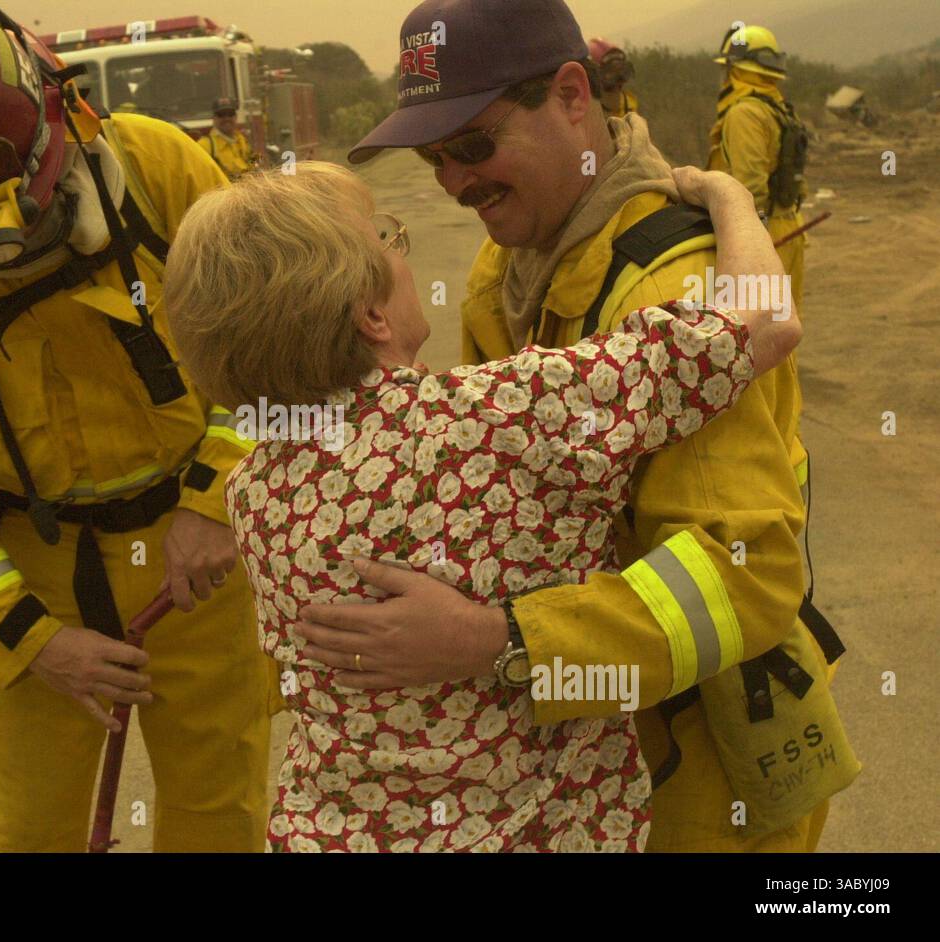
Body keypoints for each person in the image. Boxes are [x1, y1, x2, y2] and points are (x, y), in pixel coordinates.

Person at [327, 0, 857, 852]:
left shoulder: (674, 288)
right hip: (585, 745)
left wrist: (492, 640)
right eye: (433, 159)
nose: (455, 183)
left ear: (573, 97)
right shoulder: (512, 259)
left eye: (472, 145)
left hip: (696, 756)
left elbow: (745, 576)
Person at [164, 160, 802, 852]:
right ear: (371, 314)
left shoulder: (250, 493)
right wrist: (725, 192)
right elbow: (764, 320)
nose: (402, 253)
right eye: (387, 240)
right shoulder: (503, 415)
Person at [0, 0, 274, 852]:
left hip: (195, 561)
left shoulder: (155, 167)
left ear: (62, 112)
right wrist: (31, 641)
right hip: (37, 573)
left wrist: (215, 501)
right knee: (31, 829)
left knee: (216, 816)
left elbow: (269, 341)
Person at [708, 24, 811, 310]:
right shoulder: (777, 107)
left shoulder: (744, 113)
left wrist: (749, 247)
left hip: (764, 236)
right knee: (783, 324)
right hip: (789, 227)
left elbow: (750, 188)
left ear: (735, 68)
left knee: (756, 331)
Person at [205, 98, 257, 180]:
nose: (227, 119)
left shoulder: (242, 140)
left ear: (236, 117)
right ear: (214, 119)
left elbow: (254, 164)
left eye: (230, 114)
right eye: (221, 115)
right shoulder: (205, 145)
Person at [588, 38, 638, 118]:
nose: (618, 79)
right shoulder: (586, 113)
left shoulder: (629, 106)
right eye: (610, 72)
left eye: (620, 70)